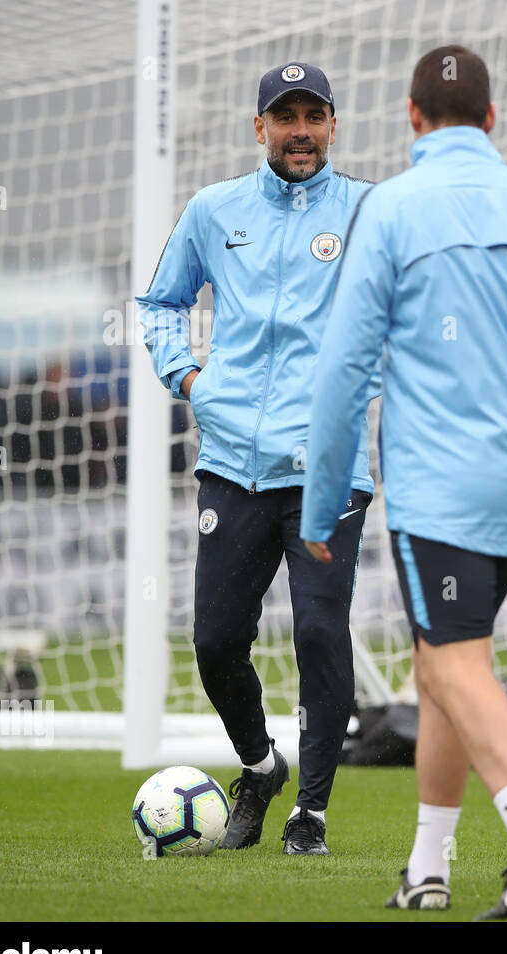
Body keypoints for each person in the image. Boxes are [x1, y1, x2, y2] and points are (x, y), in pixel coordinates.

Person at [300, 45, 507, 919]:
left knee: (453, 664)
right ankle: (428, 867)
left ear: (411, 118)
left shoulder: (390, 210)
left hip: (434, 488)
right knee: (442, 665)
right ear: (491, 120)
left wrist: (323, 493)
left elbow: (342, 371)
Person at [137, 62, 376, 856]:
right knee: (213, 640)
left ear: (334, 126)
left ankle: (309, 812)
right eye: (285, 116)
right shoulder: (213, 209)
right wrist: (193, 380)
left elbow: (413, 305)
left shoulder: (371, 211)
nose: (300, 130)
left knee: (318, 630)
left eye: (314, 115)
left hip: (328, 470)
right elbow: (161, 303)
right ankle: (258, 764)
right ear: (260, 128)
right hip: (233, 458)